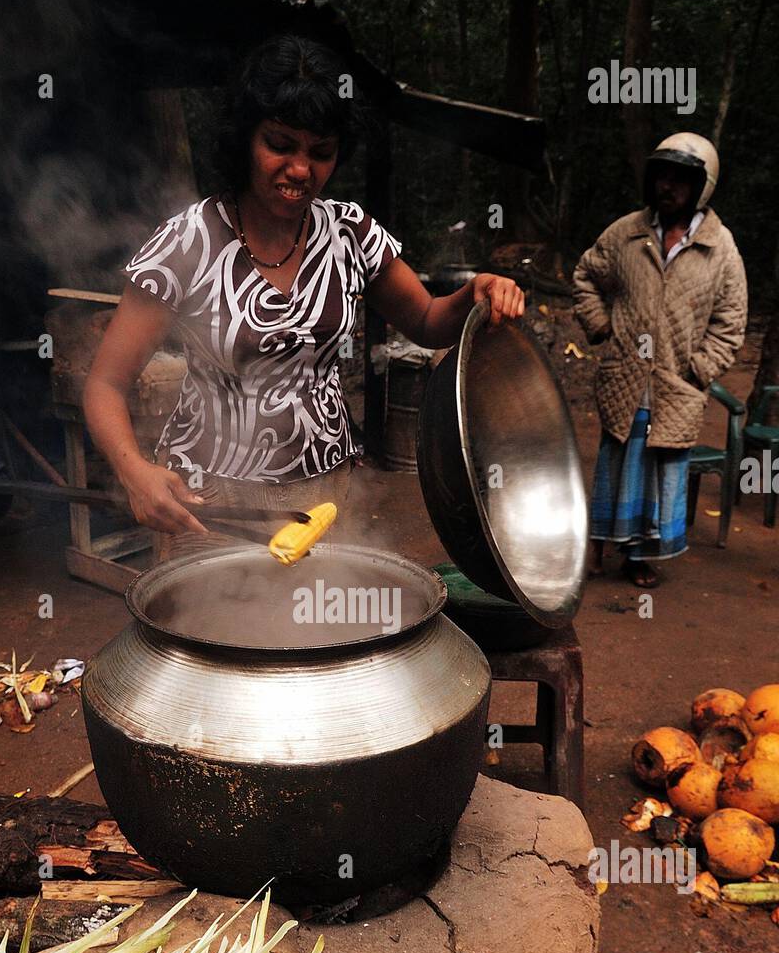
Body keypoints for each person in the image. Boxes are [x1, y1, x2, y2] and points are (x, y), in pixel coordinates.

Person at [84, 34, 525, 542]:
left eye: (321, 152)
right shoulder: (190, 241)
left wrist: (475, 296)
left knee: (316, 621)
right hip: (211, 504)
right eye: (280, 144)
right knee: (216, 623)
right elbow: (105, 385)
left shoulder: (351, 234)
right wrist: (135, 473)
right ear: (245, 138)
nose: (300, 169)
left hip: (326, 500)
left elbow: (426, 321)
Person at [573, 133, 747, 588]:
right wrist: (603, 328)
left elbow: (731, 321)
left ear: (702, 187)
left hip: (676, 382)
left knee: (657, 474)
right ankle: (594, 549)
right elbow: (586, 275)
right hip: (625, 375)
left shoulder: (720, 247)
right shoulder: (627, 232)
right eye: (662, 176)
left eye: (680, 179)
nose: (667, 186)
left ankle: (638, 558)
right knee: (614, 465)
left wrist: (699, 368)